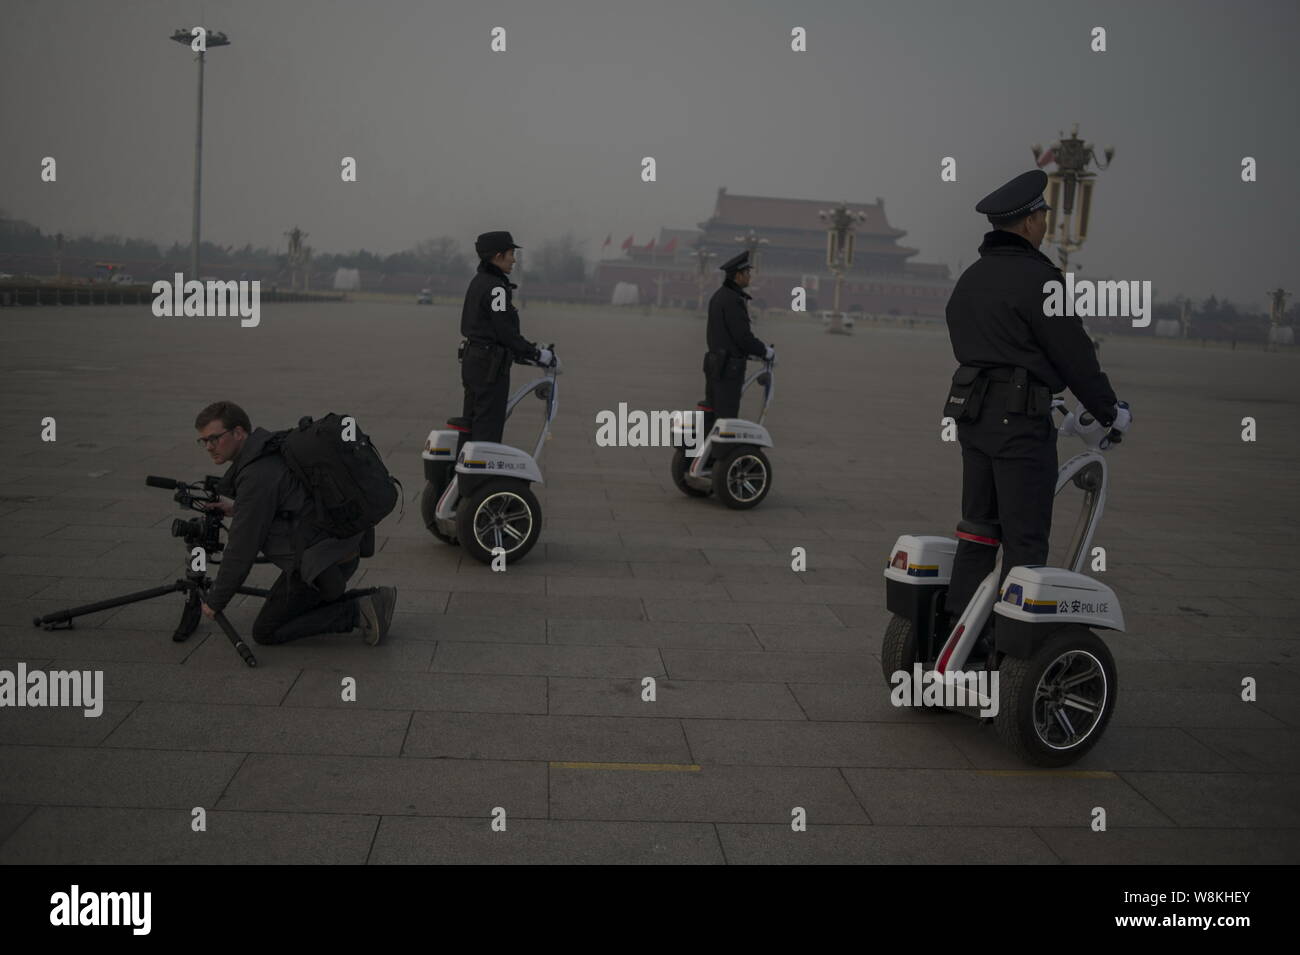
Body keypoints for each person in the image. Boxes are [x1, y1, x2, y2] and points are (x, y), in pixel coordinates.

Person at [943, 170, 1130, 627]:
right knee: (1025, 542)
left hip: (971, 414)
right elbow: (1075, 354)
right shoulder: (1041, 279)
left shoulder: (972, 277)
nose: (1046, 221)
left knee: (979, 531)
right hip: (1018, 421)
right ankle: (1011, 654)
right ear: (1028, 223)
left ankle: (958, 637)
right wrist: (1109, 411)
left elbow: (966, 335)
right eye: (1043, 214)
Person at [194, 401, 397, 646]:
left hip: (325, 561)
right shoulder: (269, 447)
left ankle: (357, 612)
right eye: (203, 441)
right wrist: (237, 509)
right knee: (286, 606)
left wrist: (216, 600)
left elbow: (241, 550)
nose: (209, 447)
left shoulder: (256, 476)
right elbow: (292, 499)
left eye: (214, 438)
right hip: (342, 544)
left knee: (266, 631)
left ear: (239, 433)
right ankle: (374, 599)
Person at [458, 231, 553, 447]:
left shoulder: (479, 281)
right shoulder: (497, 289)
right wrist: (537, 354)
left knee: (471, 423)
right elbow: (505, 331)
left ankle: (461, 473)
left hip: (473, 360)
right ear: (498, 255)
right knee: (487, 426)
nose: (514, 259)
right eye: (511, 253)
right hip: (489, 367)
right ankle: (481, 478)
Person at [701, 250, 775, 436]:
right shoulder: (733, 300)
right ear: (738, 275)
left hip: (714, 363)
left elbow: (724, 335)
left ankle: (706, 454)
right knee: (726, 416)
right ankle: (722, 456)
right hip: (729, 368)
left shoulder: (719, 296)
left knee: (713, 411)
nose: (750, 277)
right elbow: (742, 337)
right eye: (747, 273)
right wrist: (764, 351)